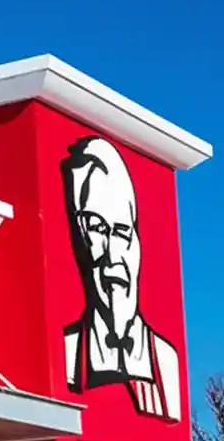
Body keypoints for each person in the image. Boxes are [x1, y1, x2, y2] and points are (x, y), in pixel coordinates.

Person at [61, 137, 180, 422]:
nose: (113, 254)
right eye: (97, 228)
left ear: (137, 243)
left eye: (122, 230)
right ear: (78, 239)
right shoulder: (67, 354)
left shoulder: (165, 362)